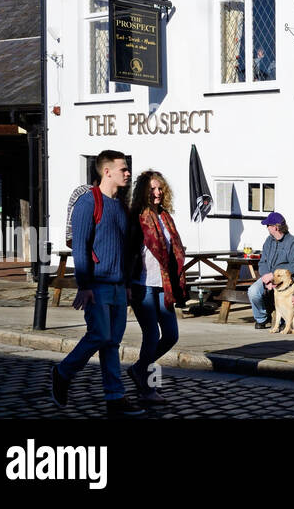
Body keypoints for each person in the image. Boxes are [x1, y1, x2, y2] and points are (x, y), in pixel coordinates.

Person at [49, 150, 145, 417]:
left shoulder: (121, 206)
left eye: (127, 169)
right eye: (123, 169)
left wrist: (126, 283)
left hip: (117, 286)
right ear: (107, 171)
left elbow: (125, 250)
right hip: (97, 285)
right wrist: (84, 285)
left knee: (112, 342)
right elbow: (80, 246)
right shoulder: (88, 202)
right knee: (100, 335)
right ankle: (63, 372)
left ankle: (115, 398)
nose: (128, 173)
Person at [126, 170, 187, 405]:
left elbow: (172, 249)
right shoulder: (136, 217)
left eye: (160, 188)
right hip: (142, 284)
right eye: (152, 189)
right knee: (151, 336)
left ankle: (139, 369)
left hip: (163, 285)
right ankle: (148, 389)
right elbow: (128, 252)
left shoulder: (165, 217)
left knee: (171, 335)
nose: (157, 192)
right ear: (143, 191)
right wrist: (126, 283)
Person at [249, 212, 294, 329]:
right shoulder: (268, 241)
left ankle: (284, 320)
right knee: (253, 291)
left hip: (285, 279)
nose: (266, 228)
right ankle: (262, 318)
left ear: (275, 227)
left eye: (268, 225)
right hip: (268, 277)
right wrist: (266, 277)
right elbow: (262, 262)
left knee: (284, 294)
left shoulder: (292, 242)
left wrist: (274, 276)